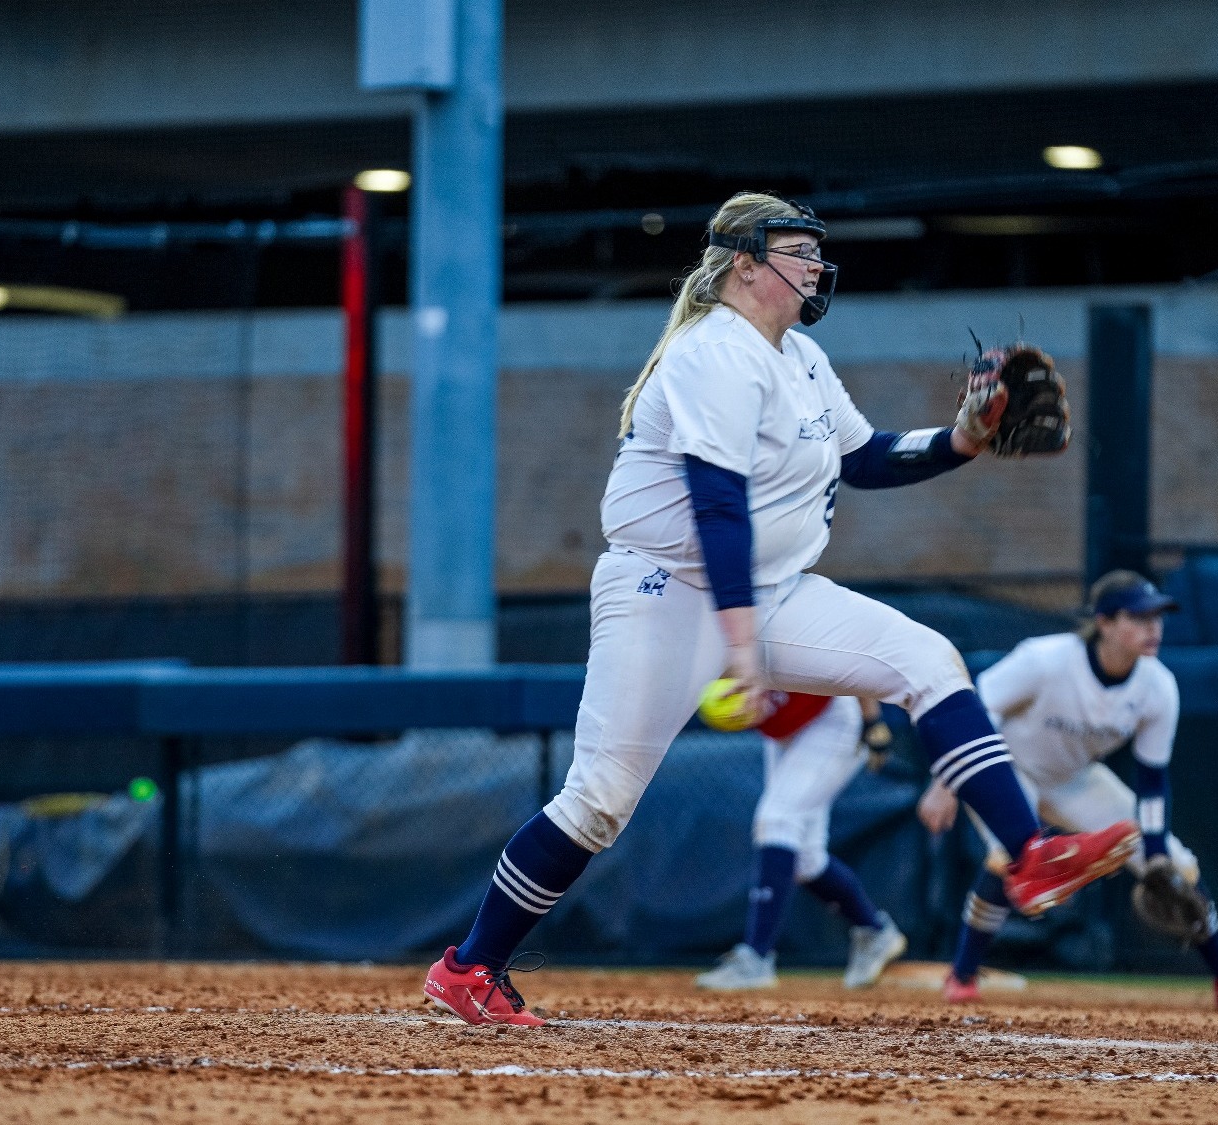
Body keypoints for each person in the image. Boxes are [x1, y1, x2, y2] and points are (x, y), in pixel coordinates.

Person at [422, 193, 1137, 1026]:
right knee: (598, 800)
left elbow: (865, 458)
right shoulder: (713, 354)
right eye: (798, 251)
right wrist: (741, 643)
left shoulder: (798, 355)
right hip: (666, 590)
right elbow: (716, 505)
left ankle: (1031, 852)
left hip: (770, 586)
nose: (816, 265)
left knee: (928, 659)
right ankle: (470, 967)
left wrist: (963, 439)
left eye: (815, 252)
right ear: (745, 265)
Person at [924, 570, 1218, 1012]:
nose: (1153, 628)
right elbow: (976, 709)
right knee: (1008, 853)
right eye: (1139, 617)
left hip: (1073, 778)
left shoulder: (1158, 687)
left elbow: (1152, 779)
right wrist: (949, 780)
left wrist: (1154, 852)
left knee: (1178, 864)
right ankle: (962, 974)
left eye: (1158, 617)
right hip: (1006, 768)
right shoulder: (1045, 660)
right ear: (1104, 622)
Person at [695, 694, 911, 991]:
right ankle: (874, 930)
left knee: (777, 821)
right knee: (804, 861)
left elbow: (849, 666)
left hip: (830, 717)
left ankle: (756, 958)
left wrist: (872, 720)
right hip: (783, 730)